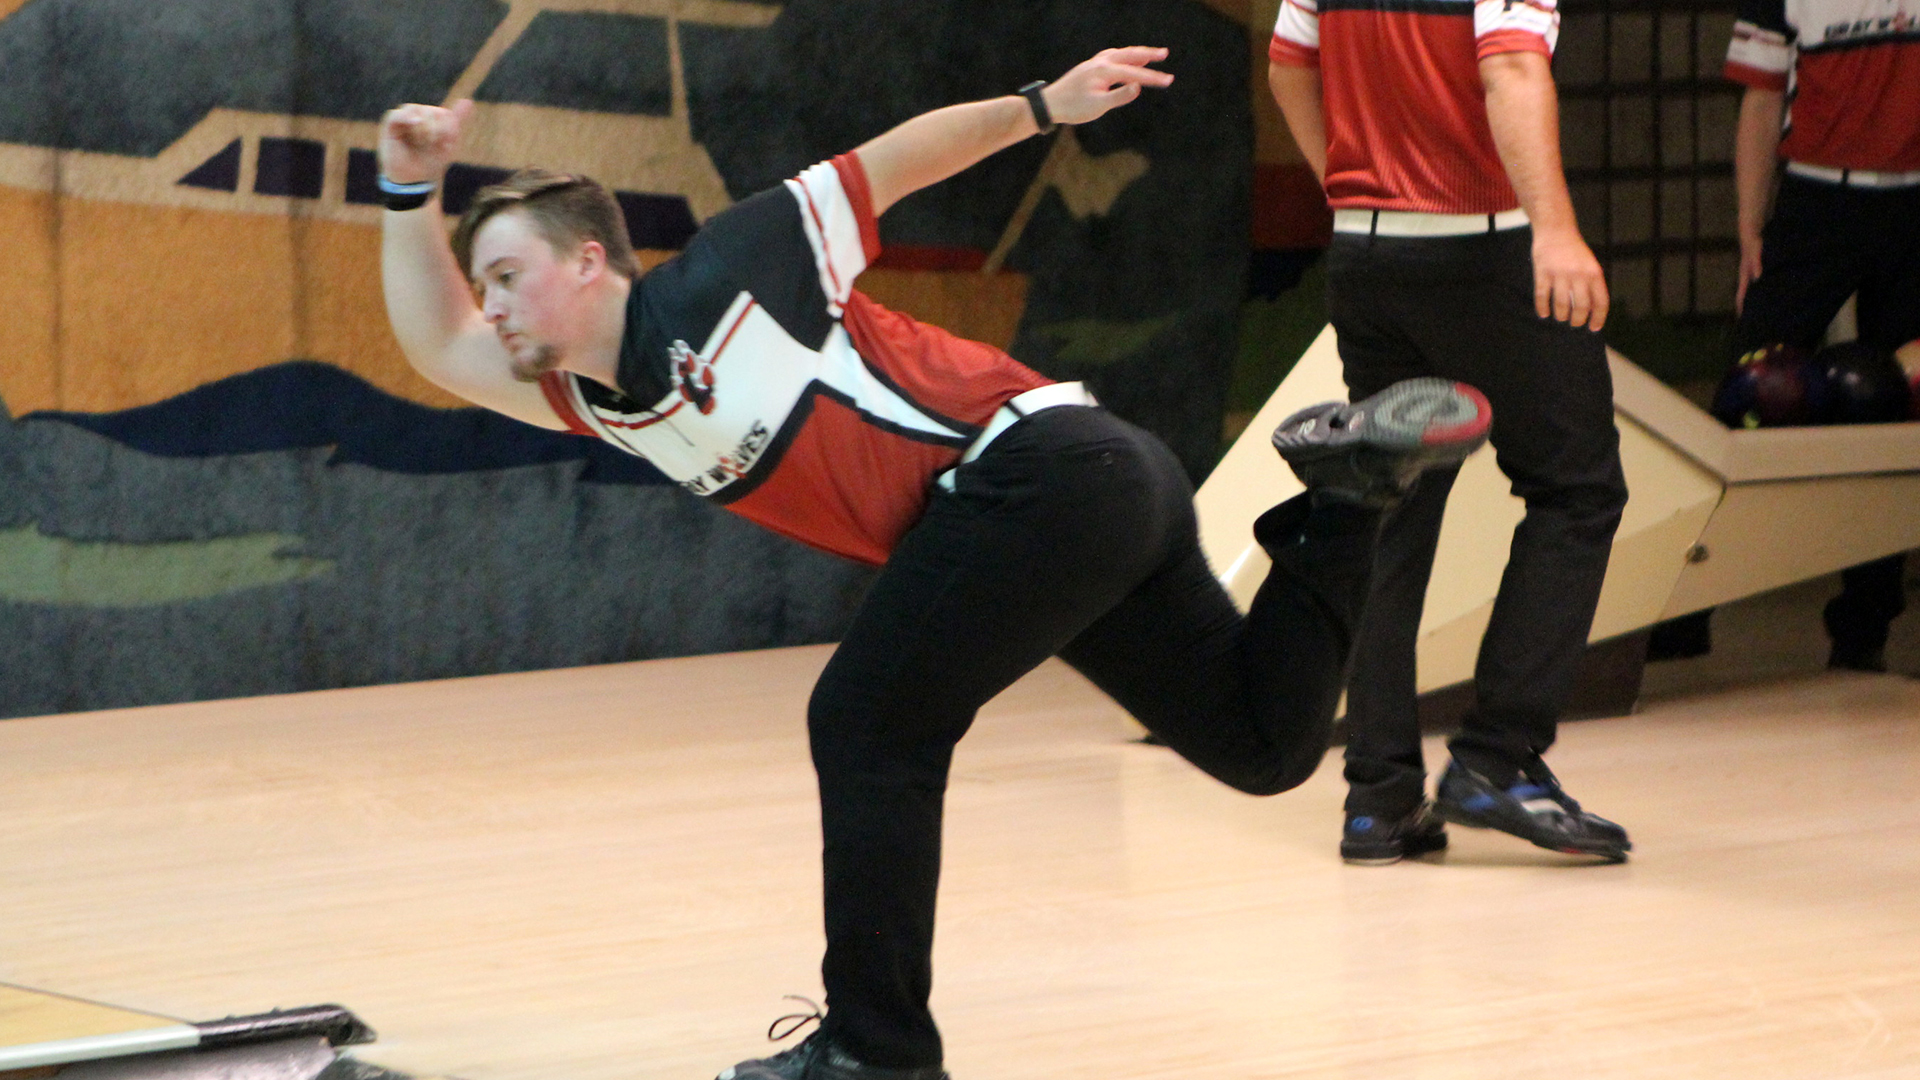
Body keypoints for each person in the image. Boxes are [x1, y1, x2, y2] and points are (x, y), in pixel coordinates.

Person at [378, 46, 1491, 1080]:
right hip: (1088, 494)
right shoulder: (597, 400)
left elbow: (897, 162)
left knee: (865, 720)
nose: (494, 306)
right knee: (1263, 748)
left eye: (509, 275)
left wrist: (1046, 108)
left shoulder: (734, 270)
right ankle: (1349, 497)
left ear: (589, 260)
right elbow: (436, 345)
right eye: (486, 287)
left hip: (1041, 473)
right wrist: (406, 191)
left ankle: (876, 1055)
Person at [1267, 0, 1633, 864]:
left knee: (1390, 514)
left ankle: (1378, 800)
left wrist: (1350, 190)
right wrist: (1555, 229)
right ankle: (1498, 759)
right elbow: (1509, 67)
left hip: (1366, 256)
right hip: (1484, 251)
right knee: (1576, 492)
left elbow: (1289, 69)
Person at [1653, 0, 1920, 672]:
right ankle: (1685, 609)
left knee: (1898, 412)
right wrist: (1749, 227)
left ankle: (1864, 629)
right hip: (1814, 202)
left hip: (1915, 206)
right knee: (1744, 400)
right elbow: (1762, 104)